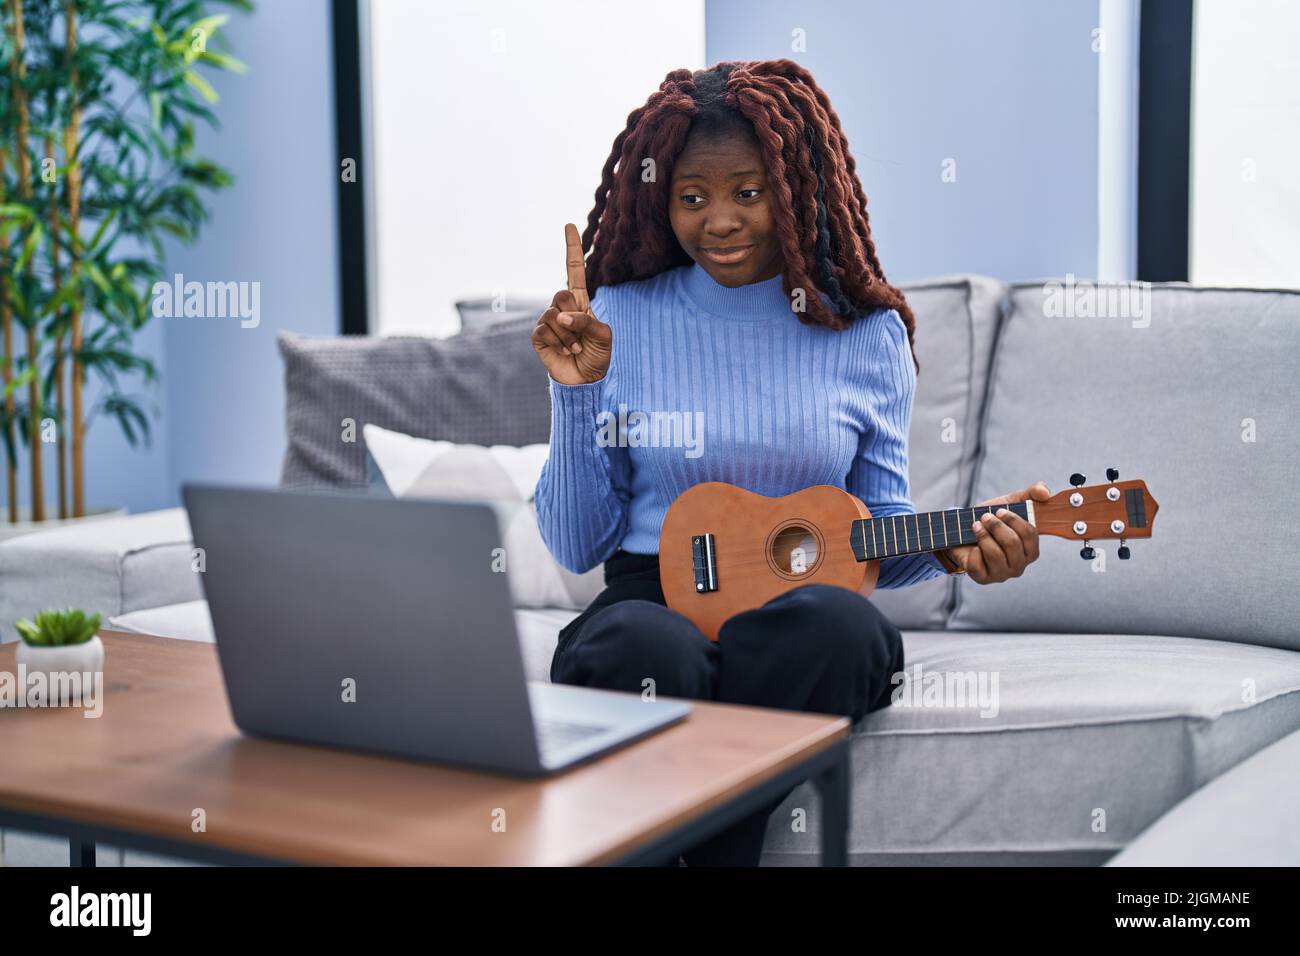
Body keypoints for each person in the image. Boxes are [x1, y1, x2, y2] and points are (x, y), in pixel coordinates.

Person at [531, 60, 1049, 866]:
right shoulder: (615, 320)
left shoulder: (864, 335)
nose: (721, 222)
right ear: (661, 201)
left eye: (748, 192)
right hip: (651, 598)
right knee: (647, 650)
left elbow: (874, 534)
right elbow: (575, 545)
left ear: (794, 186)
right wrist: (575, 394)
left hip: (801, 615)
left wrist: (954, 547)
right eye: (691, 198)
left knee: (839, 630)